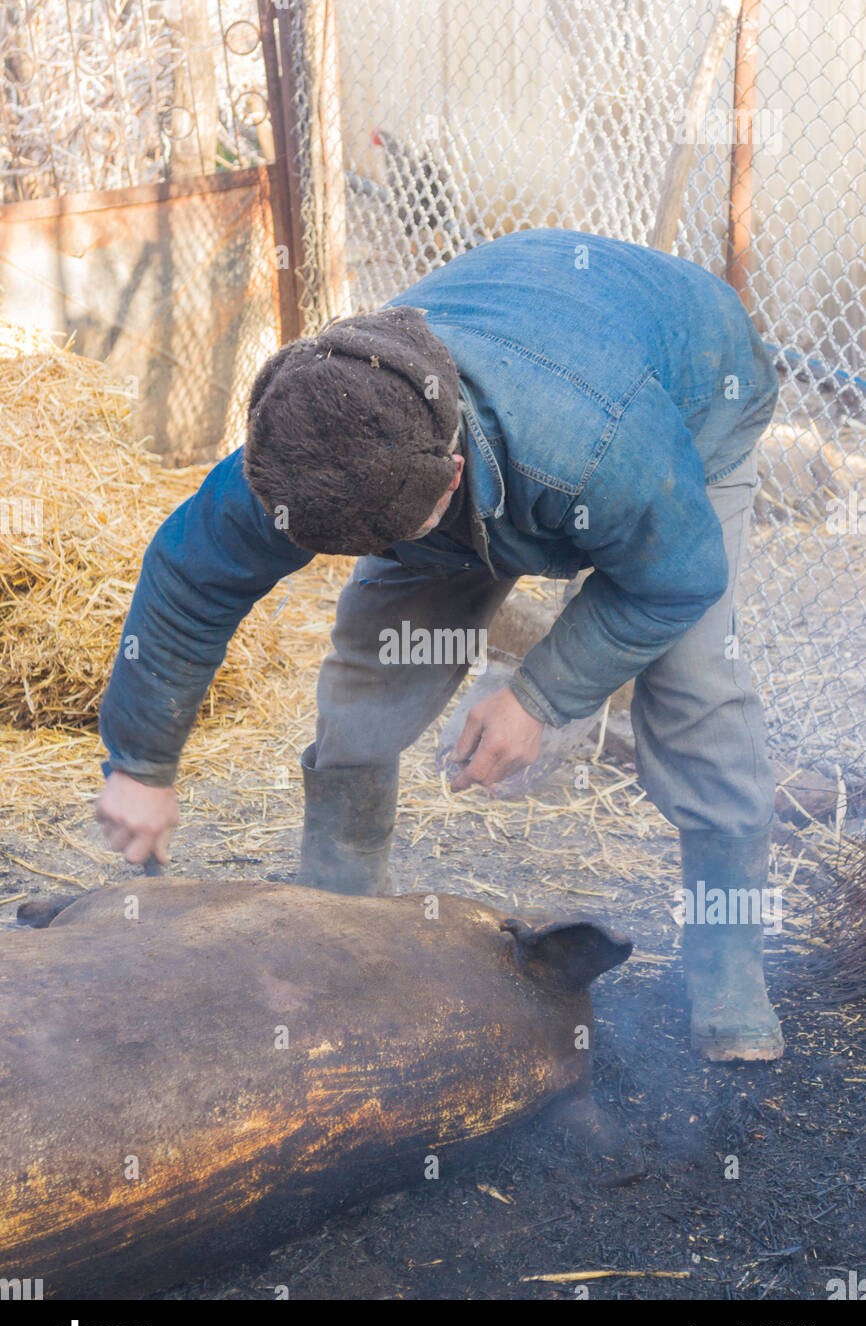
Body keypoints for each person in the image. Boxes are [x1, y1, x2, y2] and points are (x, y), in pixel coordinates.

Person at [96, 227, 782, 1062]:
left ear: (451, 477)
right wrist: (139, 764)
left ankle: (729, 966)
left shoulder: (596, 445)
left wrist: (539, 698)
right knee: (373, 664)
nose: (372, 555)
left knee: (694, 687)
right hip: (515, 364)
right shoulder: (311, 430)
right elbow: (186, 578)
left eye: (390, 536)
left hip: (694, 389)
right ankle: (338, 911)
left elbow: (677, 579)